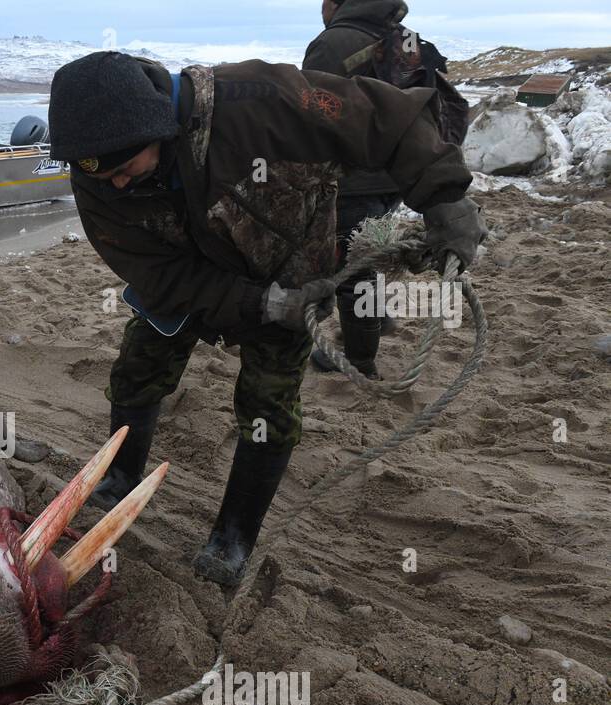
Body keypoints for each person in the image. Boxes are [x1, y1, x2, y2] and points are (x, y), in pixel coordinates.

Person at [49, 50, 485, 585]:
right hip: (187, 284)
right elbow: (154, 272)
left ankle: (233, 536)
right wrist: (254, 301)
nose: (114, 185)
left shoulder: (265, 98)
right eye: (102, 176)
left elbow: (386, 117)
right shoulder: (94, 167)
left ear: (158, 128)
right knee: (138, 369)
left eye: (123, 170)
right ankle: (118, 478)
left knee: (267, 407)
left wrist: (446, 203)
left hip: (293, 276)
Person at [303, 0, 469, 378]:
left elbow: (307, 114)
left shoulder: (333, 42)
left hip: (352, 177)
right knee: (370, 247)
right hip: (398, 175)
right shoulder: (407, 39)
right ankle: (380, 319)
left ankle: (359, 359)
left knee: (351, 269)